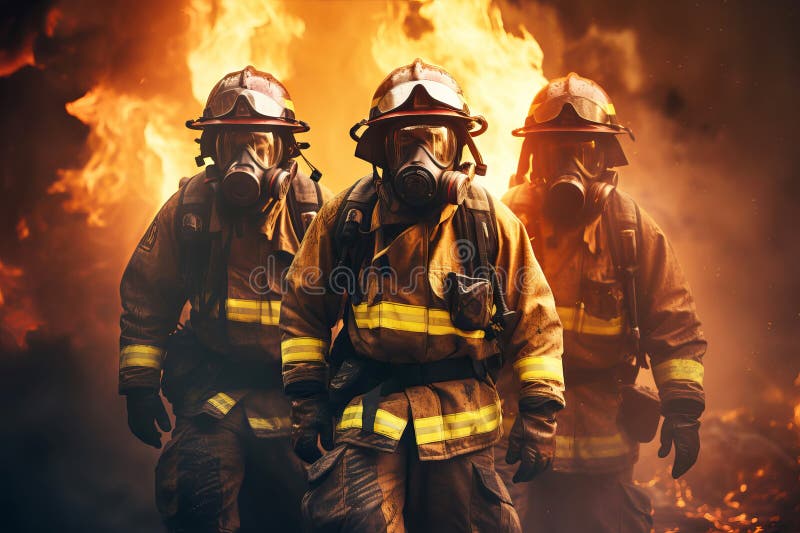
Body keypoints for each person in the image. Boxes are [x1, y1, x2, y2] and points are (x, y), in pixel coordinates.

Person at [279, 58, 565, 532]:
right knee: (355, 523)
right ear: (381, 150)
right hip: (370, 420)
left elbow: (537, 324)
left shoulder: (487, 222)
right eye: (404, 142)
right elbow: (303, 312)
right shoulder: (346, 218)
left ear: (459, 149)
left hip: (463, 428)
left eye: (436, 140)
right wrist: (307, 398)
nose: (420, 157)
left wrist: (539, 413)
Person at [118, 65, 330, 532]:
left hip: (296, 404)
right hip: (213, 399)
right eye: (232, 144)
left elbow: (352, 313)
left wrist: (335, 400)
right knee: (197, 503)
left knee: (309, 515)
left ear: (285, 149)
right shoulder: (189, 209)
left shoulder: (315, 211)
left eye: (259, 144)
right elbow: (147, 297)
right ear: (211, 149)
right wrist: (139, 384)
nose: (245, 159)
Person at [497, 72, 707, 532]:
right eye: (555, 150)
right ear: (534, 156)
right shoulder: (506, 220)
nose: (569, 165)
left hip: (602, 446)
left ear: (607, 158)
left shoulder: (631, 230)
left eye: (585, 150)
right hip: (516, 435)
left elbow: (675, 325)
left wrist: (683, 405)